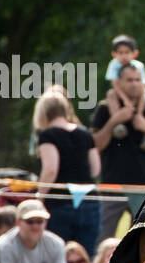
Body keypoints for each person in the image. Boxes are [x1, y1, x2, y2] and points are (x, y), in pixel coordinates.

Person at [90, 63, 145, 244]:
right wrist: (114, 121)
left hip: (143, 187)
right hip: (112, 186)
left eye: (138, 80)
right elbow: (96, 145)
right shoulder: (105, 108)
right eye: (129, 80)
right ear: (119, 83)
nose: (134, 84)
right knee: (102, 239)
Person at [34, 87, 101, 249]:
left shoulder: (47, 135)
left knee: (57, 254)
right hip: (90, 202)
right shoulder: (85, 133)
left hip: (60, 204)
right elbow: (95, 169)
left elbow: (50, 169)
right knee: (85, 258)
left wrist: (39, 197)